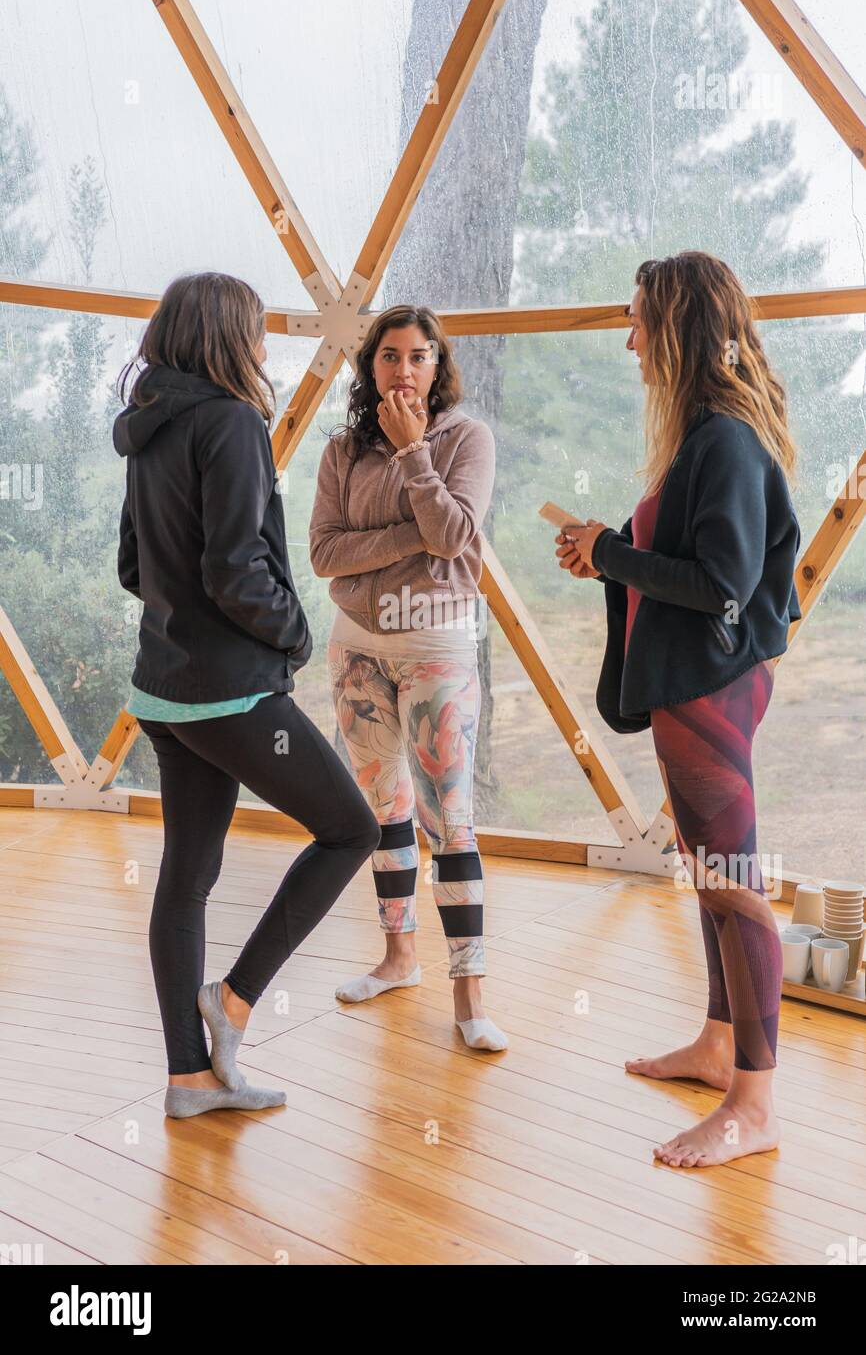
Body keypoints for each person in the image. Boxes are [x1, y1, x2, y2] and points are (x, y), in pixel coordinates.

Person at [554, 251, 801, 1167]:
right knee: (712, 878)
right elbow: (698, 567)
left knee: (736, 885)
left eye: (638, 320)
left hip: (711, 689)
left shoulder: (725, 439)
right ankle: (717, 1043)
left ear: (677, 327)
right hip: (695, 687)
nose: (628, 340)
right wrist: (609, 552)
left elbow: (723, 585)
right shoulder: (705, 434)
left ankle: (756, 1103)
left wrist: (614, 558)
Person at [114, 271, 380, 1119]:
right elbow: (236, 569)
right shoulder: (230, 421)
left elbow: (133, 565)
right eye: (259, 330)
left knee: (187, 876)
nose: (267, 347)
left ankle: (190, 1080)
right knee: (350, 829)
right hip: (229, 695)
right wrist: (294, 637)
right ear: (229, 336)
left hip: (164, 690)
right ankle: (230, 1003)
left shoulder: (150, 429)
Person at [309, 304, 507, 1051]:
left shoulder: (467, 440)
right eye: (389, 356)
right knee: (383, 813)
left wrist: (415, 453)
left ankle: (470, 995)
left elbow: (456, 534)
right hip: (355, 650)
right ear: (371, 367)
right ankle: (398, 957)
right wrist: (411, 537)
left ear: (437, 364)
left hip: (437, 650)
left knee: (449, 821)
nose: (403, 369)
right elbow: (326, 553)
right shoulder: (340, 450)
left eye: (418, 356)